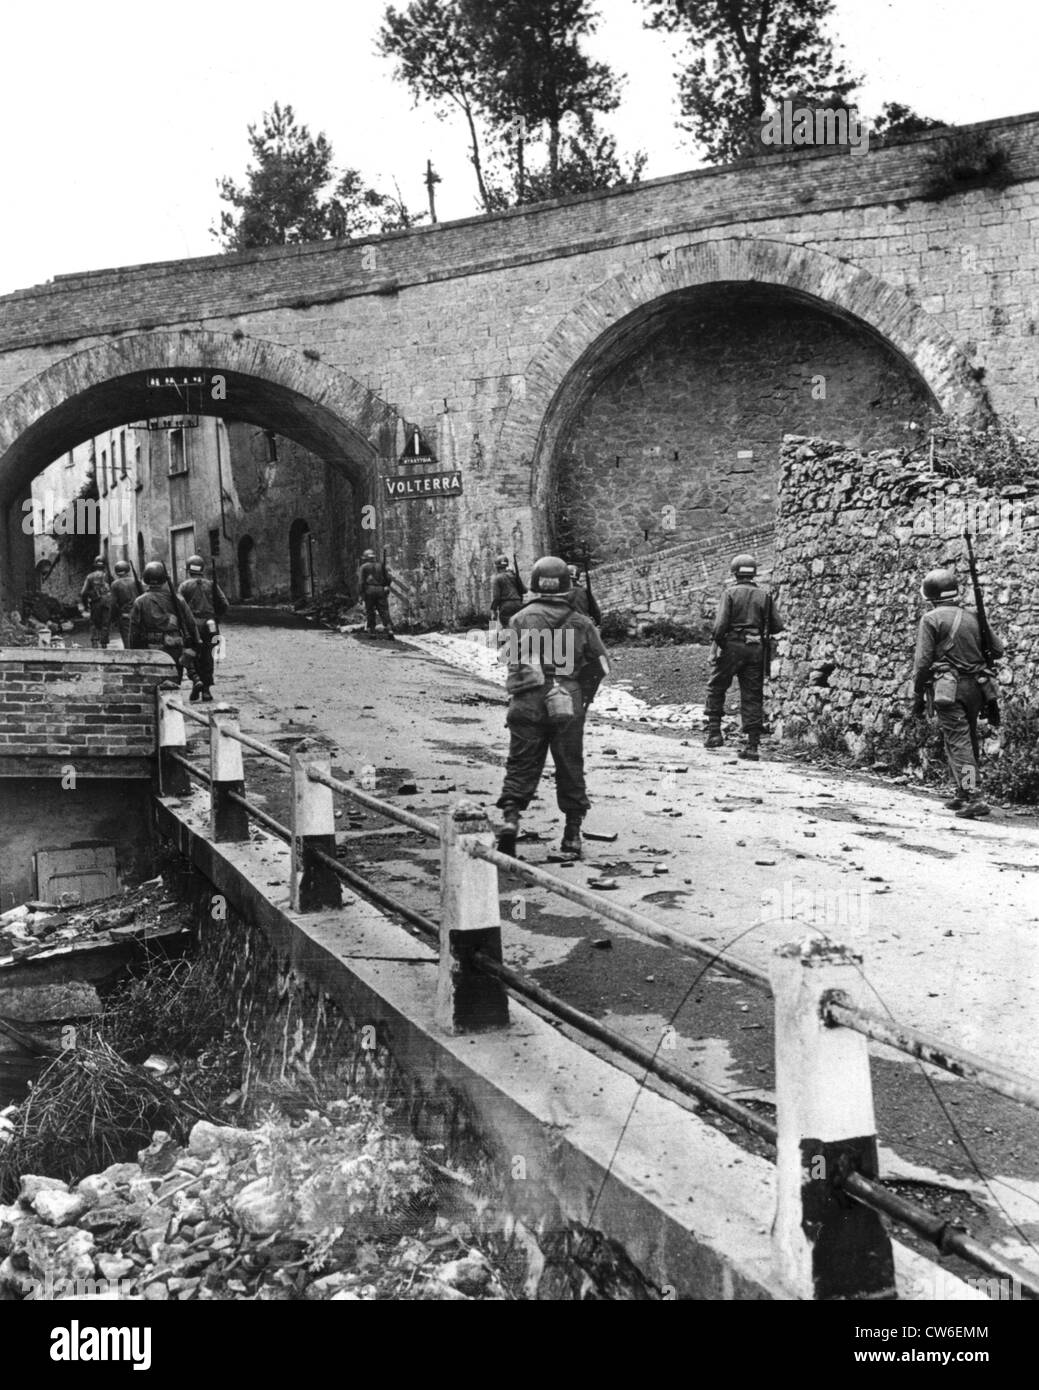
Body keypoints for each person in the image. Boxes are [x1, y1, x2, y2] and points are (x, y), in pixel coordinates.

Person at [495, 555, 610, 860]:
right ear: (567, 587)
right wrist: (582, 697)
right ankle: (571, 836)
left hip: (527, 699)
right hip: (566, 699)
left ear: (534, 585)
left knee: (520, 763)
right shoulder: (581, 622)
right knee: (569, 764)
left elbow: (508, 658)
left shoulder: (519, 619)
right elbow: (600, 667)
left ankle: (510, 819)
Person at [912, 567, 1004, 820]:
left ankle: (974, 794)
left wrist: (918, 693)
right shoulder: (973, 616)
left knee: (958, 741)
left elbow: (922, 663)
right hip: (978, 688)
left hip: (948, 689)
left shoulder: (931, 619)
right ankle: (963, 792)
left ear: (930, 595)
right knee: (966, 738)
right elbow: (998, 650)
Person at [704, 553, 784, 762]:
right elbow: (777, 626)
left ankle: (714, 733)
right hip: (756, 648)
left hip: (732, 645)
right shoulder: (764, 596)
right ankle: (752, 745)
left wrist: (720, 645)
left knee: (716, 686)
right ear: (754, 573)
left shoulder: (729, 594)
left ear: (735, 573)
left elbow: (720, 626)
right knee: (752, 694)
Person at [128, 561, 200, 682]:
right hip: (174, 647)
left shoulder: (140, 601)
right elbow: (191, 624)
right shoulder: (178, 599)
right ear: (164, 579)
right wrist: (195, 645)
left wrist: (135, 653)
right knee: (173, 684)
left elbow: (134, 631)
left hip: (150, 648)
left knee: (152, 683)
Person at [178, 555, 230, 702]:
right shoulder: (211, 584)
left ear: (189, 570)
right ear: (202, 569)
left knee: (190, 654)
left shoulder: (184, 586)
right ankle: (206, 690)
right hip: (210, 624)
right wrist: (216, 617)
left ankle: (196, 680)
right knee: (208, 656)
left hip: (192, 624)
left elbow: (179, 606)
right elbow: (224, 604)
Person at [357, 549, 395, 638]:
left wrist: (360, 594)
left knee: (370, 611)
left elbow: (361, 582)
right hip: (381, 590)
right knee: (384, 611)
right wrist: (386, 586)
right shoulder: (381, 566)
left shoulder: (364, 567)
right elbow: (388, 578)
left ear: (365, 558)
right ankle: (390, 630)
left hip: (369, 590)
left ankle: (372, 632)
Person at [79, 556, 112, 649]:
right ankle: (104, 644)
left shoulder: (90, 577)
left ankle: (94, 642)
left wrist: (85, 605)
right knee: (105, 622)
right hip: (107, 602)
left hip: (95, 603)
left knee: (94, 623)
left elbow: (83, 593)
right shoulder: (108, 576)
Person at [109, 560, 143, 649]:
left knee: (127, 641)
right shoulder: (136, 581)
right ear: (128, 570)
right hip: (139, 615)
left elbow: (113, 603)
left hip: (125, 616)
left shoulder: (115, 584)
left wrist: (113, 618)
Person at [490, 554, 524, 627]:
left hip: (506, 607)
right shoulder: (514, 576)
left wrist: (493, 611)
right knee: (519, 629)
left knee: (507, 628)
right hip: (518, 604)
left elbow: (496, 597)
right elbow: (524, 590)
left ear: (497, 567)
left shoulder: (497, 578)